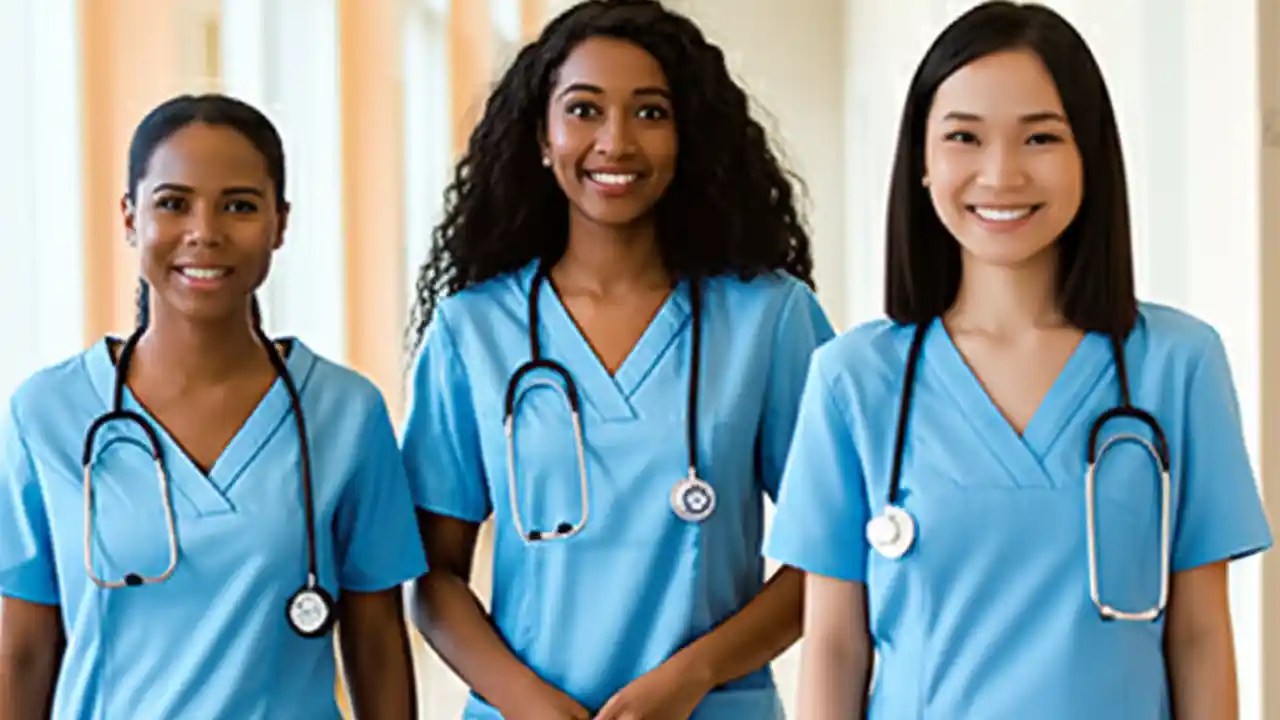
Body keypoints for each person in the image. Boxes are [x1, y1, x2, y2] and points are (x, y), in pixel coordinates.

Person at [763, 2, 1273, 718]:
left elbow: (1198, 636)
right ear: (922, 161)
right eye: (964, 137)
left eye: (1040, 137)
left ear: (1089, 156)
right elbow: (835, 647)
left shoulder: (1179, 367)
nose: (1000, 174)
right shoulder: (855, 380)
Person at [401, 1, 834, 717]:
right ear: (541, 136)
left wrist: (692, 677)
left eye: (651, 113)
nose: (616, 141)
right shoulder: (473, 331)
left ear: (687, 136)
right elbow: (433, 578)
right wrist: (527, 701)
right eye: (583, 110)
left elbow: (831, 548)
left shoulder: (769, 318)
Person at [0, 93, 425, 719]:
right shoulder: (49, 414)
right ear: (129, 218)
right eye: (173, 204)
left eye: (239, 206)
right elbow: (24, 653)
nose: (205, 232)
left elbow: (378, 645)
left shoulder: (345, 413)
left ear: (281, 223)